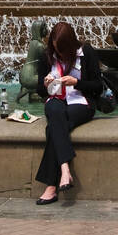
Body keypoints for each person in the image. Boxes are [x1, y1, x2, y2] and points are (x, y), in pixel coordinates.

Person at [31, 21, 104, 205]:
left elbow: (98, 86)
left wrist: (76, 83)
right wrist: (46, 84)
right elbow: (40, 90)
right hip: (55, 101)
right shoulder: (47, 56)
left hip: (81, 102)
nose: (60, 54)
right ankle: (65, 171)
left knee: (53, 129)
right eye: (56, 49)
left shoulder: (86, 53)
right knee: (55, 112)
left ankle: (51, 186)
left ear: (71, 45)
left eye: (63, 50)